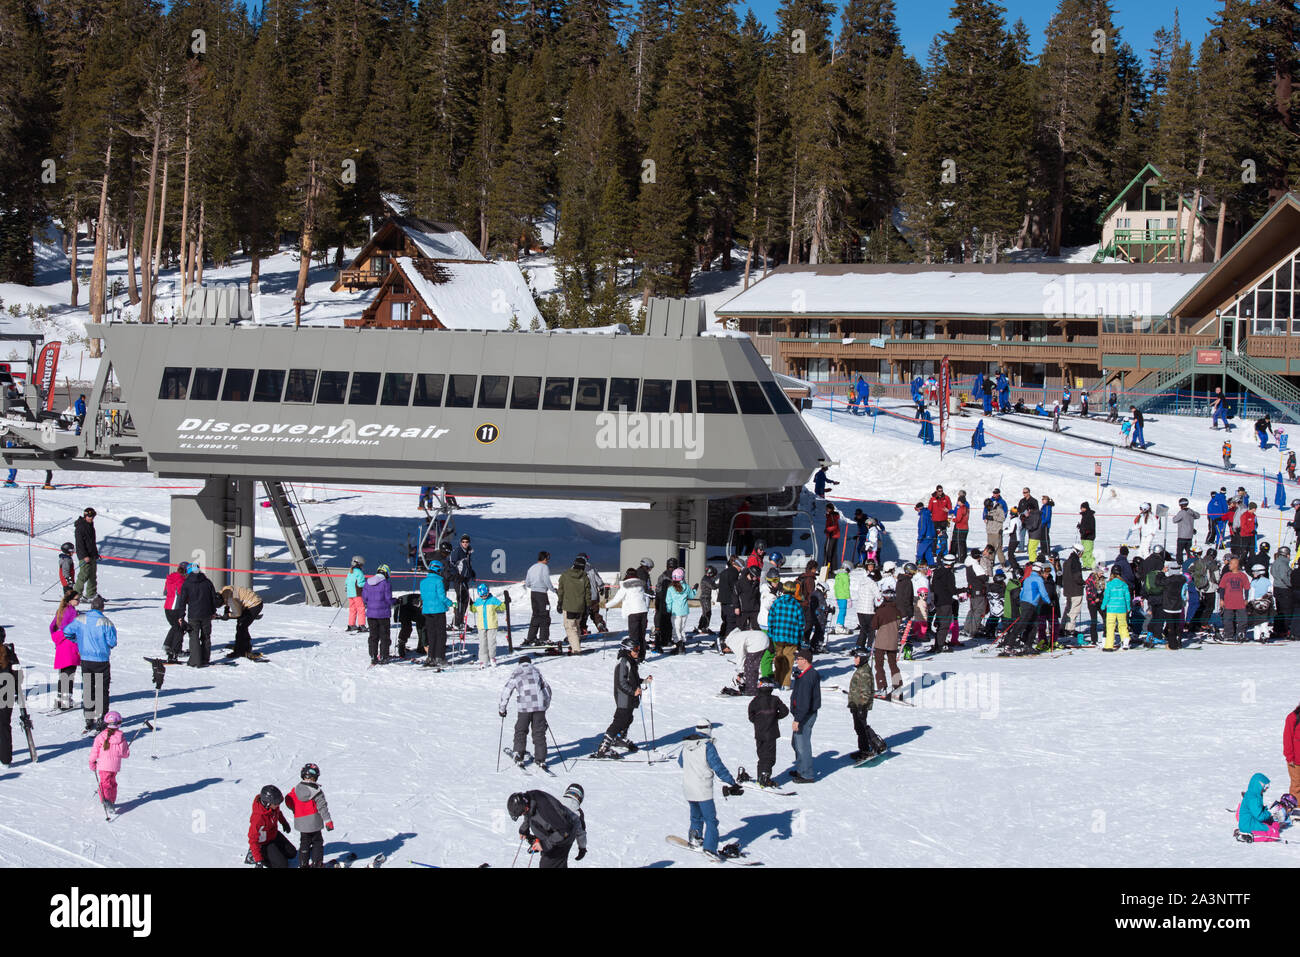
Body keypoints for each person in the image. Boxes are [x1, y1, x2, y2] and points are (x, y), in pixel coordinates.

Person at [62, 595, 116, 732]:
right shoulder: (106, 622)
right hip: (101, 660)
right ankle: (102, 717)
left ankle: (88, 717)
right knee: (102, 690)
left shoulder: (80, 619)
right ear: (102, 608)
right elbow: (112, 642)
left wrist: (78, 641)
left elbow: (67, 631)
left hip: (86, 659)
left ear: (91, 606)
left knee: (88, 687)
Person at [594, 638, 650, 758]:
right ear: (628, 650)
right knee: (619, 721)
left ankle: (620, 738)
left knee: (628, 718)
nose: (638, 651)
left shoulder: (631, 661)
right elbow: (621, 683)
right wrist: (633, 691)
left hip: (630, 697)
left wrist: (644, 681)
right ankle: (603, 748)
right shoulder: (624, 663)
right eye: (635, 649)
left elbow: (633, 679)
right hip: (624, 697)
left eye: (639, 649)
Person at [499, 655, 553, 769]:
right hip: (539, 707)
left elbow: (506, 691)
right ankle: (541, 759)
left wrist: (502, 709)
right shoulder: (537, 672)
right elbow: (548, 690)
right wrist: (545, 706)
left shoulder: (516, 673)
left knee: (521, 731)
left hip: (524, 708)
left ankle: (519, 755)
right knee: (539, 733)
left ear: (519, 664)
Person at [508, 789, 584, 868]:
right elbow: (528, 813)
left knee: (547, 865)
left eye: (521, 813)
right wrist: (524, 829)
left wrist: (543, 844)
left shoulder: (546, 809)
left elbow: (564, 831)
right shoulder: (529, 798)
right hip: (553, 832)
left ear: (526, 808)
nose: (523, 815)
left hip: (563, 837)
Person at [285, 763, 334, 868]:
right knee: (317, 842)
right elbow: (322, 807)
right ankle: (317, 863)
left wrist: (295, 810)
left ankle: (303, 864)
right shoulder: (316, 791)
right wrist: (328, 821)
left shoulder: (296, 789)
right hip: (314, 822)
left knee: (304, 843)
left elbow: (288, 800)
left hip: (301, 823)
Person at [847, 647, 888, 761]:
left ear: (862, 658)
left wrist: (862, 706)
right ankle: (863, 749)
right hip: (856, 704)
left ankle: (872, 747)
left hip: (861, 705)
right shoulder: (861, 669)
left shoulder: (864, 672)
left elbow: (865, 691)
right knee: (859, 728)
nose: (854, 659)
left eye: (857, 657)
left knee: (862, 727)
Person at [746, 677, 788, 787]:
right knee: (769, 757)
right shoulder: (775, 699)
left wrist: (759, 721)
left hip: (760, 733)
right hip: (770, 733)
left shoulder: (755, 701)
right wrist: (775, 717)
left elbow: (751, 716)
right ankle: (764, 778)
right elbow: (785, 711)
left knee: (762, 756)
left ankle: (761, 777)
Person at [788, 647, 821, 783]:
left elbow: (804, 701)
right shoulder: (806, 675)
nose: (796, 661)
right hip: (804, 714)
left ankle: (806, 774)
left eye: (799, 659)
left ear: (805, 660)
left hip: (805, 715)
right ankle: (801, 768)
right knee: (796, 742)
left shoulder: (808, 677)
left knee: (802, 745)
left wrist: (798, 719)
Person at [89, 711, 130, 816]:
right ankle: (111, 800)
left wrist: (92, 762)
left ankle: (107, 801)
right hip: (114, 767)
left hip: (103, 766)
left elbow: (94, 751)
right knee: (112, 783)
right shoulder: (121, 737)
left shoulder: (100, 736)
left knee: (105, 784)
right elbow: (125, 754)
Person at [178, 564, 219, 667]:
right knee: (206, 637)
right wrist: (213, 612)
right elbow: (213, 598)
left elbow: (182, 601)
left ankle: (195, 661)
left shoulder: (187, 584)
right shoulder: (207, 582)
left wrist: (181, 616)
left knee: (194, 637)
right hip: (207, 614)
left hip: (193, 614)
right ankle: (205, 659)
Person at [48, 590, 81, 711]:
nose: (79, 601)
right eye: (77, 599)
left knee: (63, 673)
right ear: (70, 600)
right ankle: (66, 699)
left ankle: (60, 697)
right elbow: (74, 628)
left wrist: (57, 637)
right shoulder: (72, 612)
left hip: (61, 645)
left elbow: (52, 626)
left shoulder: (61, 610)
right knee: (70, 673)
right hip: (70, 645)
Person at [767, 581, 804, 688]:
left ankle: (778, 679)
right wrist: (800, 639)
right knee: (789, 659)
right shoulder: (796, 605)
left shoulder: (777, 602)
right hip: (792, 637)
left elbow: (770, 619)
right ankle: (786, 683)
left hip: (778, 635)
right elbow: (801, 623)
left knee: (779, 657)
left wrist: (770, 635)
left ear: (783, 590)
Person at [248, 785, 296, 868]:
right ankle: (254, 855)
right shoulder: (258, 818)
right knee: (282, 865)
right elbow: (253, 840)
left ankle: (275, 853)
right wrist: (258, 861)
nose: (278, 805)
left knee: (292, 853)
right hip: (263, 843)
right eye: (276, 803)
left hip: (273, 835)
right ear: (267, 803)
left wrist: (284, 822)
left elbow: (278, 813)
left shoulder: (273, 807)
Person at [606, 568, 650, 658]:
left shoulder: (625, 585)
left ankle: (634, 656)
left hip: (633, 612)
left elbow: (616, 600)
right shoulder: (640, 584)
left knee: (634, 637)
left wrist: (607, 605)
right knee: (642, 635)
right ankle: (642, 656)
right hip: (643, 611)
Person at [420, 558, 452, 669]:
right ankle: (439, 657)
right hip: (438, 610)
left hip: (427, 611)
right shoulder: (439, 581)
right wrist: (451, 603)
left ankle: (431, 657)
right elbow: (442, 597)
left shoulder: (423, 582)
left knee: (431, 634)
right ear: (438, 570)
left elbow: (423, 597)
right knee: (441, 635)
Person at [556, 555, 592, 655]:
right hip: (580, 607)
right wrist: (588, 606)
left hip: (568, 606)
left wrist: (559, 602)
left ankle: (576, 649)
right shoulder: (585, 577)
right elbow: (588, 593)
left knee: (570, 628)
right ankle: (575, 644)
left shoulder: (565, 575)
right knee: (576, 626)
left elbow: (561, 590)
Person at [219, 584, 264, 659]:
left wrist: (228, 615)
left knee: (241, 626)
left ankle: (241, 651)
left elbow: (238, 613)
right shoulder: (224, 591)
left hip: (254, 605)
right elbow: (229, 601)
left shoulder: (231, 599)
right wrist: (226, 609)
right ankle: (243, 647)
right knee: (241, 625)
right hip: (249, 603)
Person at [1236, 773, 1283, 842]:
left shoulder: (1254, 794)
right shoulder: (1253, 798)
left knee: (1273, 824)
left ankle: (1248, 833)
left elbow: (1257, 810)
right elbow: (1259, 816)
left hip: (1251, 821)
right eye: (1265, 786)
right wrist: (1270, 812)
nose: (1266, 789)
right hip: (1249, 825)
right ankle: (1249, 836)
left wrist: (1266, 810)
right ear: (1259, 785)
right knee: (1274, 834)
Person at [362, 563, 394, 664]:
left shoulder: (367, 583)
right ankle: (384, 656)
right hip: (383, 614)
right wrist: (396, 601)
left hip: (371, 614)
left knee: (373, 636)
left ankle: (373, 655)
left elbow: (364, 599)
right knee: (384, 636)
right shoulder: (386, 584)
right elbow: (388, 600)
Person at [523, 551, 556, 647]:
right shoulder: (544, 567)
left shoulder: (531, 567)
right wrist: (553, 590)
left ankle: (531, 637)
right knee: (545, 615)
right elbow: (546, 580)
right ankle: (544, 638)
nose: (548, 561)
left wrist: (534, 586)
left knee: (535, 615)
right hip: (542, 595)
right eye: (548, 559)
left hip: (533, 594)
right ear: (545, 558)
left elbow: (527, 583)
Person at [1218, 557, 1251, 643]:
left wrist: (1246, 599)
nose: (1229, 565)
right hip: (1228, 601)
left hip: (1240, 601)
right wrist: (1221, 599)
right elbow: (1222, 588)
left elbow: (1247, 588)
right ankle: (1229, 635)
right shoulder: (1226, 575)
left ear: (1236, 565)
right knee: (1227, 619)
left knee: (1243, 619)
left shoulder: (1242, 575)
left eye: (1231, 563)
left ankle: (1241, 634)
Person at [469, 583, 503, 666]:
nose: (484, 597)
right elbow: (473, 609)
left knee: (491, 643)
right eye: (482, 595)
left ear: (488, 592)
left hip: (492, 625)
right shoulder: (478, 601)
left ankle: (492, 657)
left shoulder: (493, 600)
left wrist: (506, 603)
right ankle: (483, 660)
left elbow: (502, 607)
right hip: (481, 626)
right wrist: (470, 604)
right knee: (482, 644)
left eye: (485, 595)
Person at [1101, 566, 1132, 651]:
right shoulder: (1124, 584)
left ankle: (1109, 646)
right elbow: (1127, 597)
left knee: (1110, 627)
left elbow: (1106, 597)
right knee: (1123, 626)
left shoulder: (1109, 584)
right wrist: (1128, 607)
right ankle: (1125, 642)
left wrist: (1103, 605)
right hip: (1122, 608)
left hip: (1111, 609)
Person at [448, 535, 475, 631]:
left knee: (466, 600)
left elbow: (466, 565)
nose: (465, 543)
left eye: (467, 542)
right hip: (459, 579)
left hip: (465, 579)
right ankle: (457, 623)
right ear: (460, 542)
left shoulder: (468, 551)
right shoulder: (458, 551)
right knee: (461, 601)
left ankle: (458, 621)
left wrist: (471, 572)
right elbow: (451, 564)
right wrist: (457, 575)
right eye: (463, 542)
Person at [665, 568, 695, 652]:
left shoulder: (671, 588)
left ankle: (679, 645)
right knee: (681, 628)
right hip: (684, 611)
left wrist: (668, 610)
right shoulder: (687, 587)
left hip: (676, 612)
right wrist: (694, 589)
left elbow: (668, 601)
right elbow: (691, 596)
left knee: (676, 629)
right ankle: (682, 641)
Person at [73, 506, 99, 601]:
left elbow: (92, 542)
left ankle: (91, 594)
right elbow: (79, 544)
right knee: (83, 575)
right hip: (85, 556)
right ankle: (75, 595)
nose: (91, 518)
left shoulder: (90, 526)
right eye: (89, 516)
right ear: (85, 516)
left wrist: (95, 554)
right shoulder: (80, 527)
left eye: (92, 516)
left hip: (92, 555)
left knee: (92, 576)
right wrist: (84, 556)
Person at [579, 553, 608, 636]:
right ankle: (600, 625)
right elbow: (599, 580)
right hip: (593, 596)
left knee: (583, 614)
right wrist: (601, 587)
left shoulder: (574, 568)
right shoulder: (591, 568)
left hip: (582, 597)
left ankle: (583, 629)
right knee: (595, 613)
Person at [984, 489, 1008, 564]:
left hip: (996, 532)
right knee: (990, 548)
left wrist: (993, 518)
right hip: (990, 532)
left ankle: (1003, 563)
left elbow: (1002, 518)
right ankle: (991, 562)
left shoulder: (999, 509)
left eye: (988, 507)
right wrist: (986, 518)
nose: (987, 508)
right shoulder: (989, 509)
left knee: (998, 549)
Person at [345, 556, 367, 634]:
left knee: (352, 609)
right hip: (357, 594)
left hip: (350, 594)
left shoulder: (350, 572)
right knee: (361, 609)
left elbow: (346, 582)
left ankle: (351, 624)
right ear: (359, 564)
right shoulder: (359, 572)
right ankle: (362, 625)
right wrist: (366, 584)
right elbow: (360, 584)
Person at [695, 565, 718, 636]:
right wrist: (720, 584)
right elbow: (713, 586)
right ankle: (704, 627)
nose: (714, 576)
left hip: (706, 597)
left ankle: (701, 626)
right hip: (705, 598)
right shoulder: (706, 579)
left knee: (705, 613)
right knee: (707, 613)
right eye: (713, 575)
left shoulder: (707, 578)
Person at [1284, 703, 1300, 803]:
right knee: (1296, 786)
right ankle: (1296, 808)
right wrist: (1289, 757)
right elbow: (1287, 739)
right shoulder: (1292, 717)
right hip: (1296, 762)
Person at [914, 502, 936, 566]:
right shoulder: (928, 514)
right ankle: (931, 565)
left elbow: (922, 528)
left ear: (919, 508)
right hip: (931, 536)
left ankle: (919, 564)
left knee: (920, 553)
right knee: (928, 552)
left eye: (916, 509)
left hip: (925, 537)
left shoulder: (923, 516)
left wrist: (920, 537)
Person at [950, 491, 970, 557]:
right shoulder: (964, 507)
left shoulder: (962, 507)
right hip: (964, 526)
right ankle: (961, 555)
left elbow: (958, 518)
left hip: (960, 526)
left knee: (960, 542)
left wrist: (953, 519)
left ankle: (960, 556)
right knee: (961, 542)